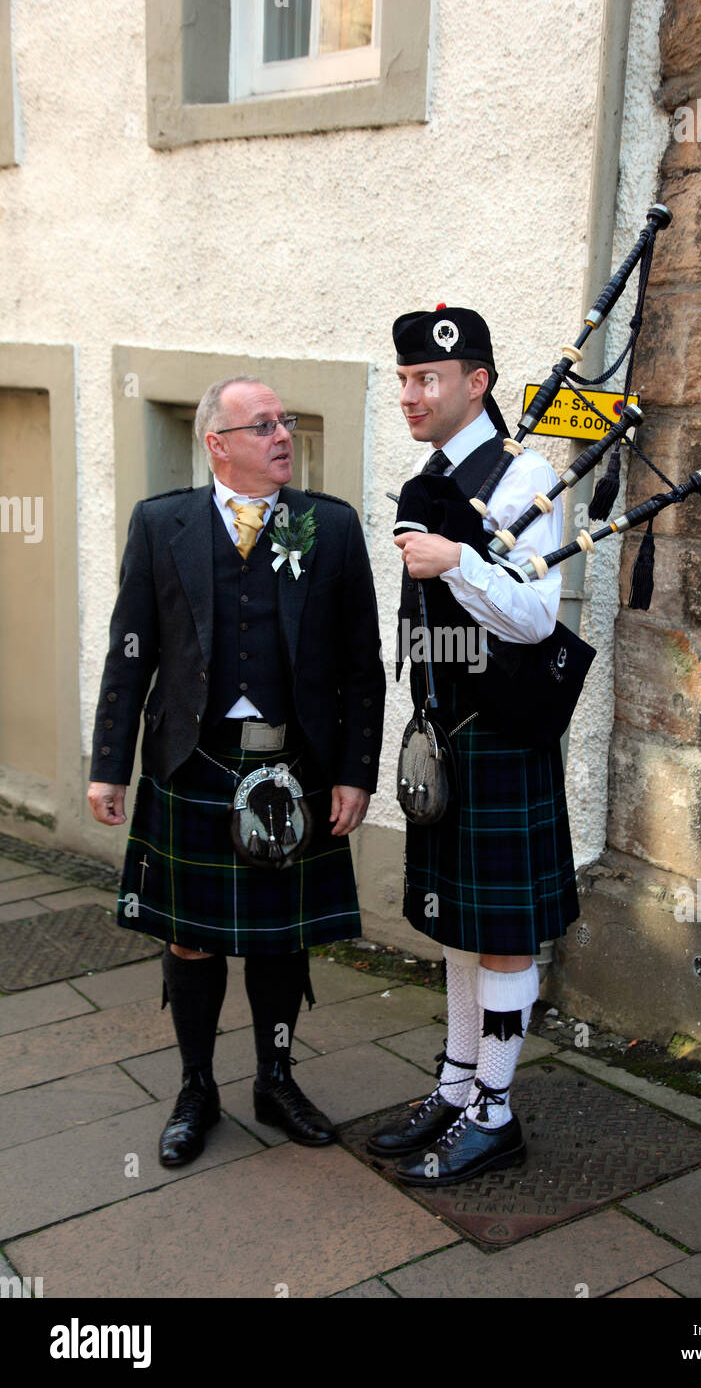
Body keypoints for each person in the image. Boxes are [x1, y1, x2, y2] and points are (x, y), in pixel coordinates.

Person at [87, 376, 385, 1167]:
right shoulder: (162, 525)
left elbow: (364, 665)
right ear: (217, 444)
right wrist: (108, 764)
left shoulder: (330, 527)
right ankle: (196, 1087)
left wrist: (357, 772)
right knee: (190, 938)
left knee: (282, 940)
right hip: (194, 766)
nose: (283, 435)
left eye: (286, 422)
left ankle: (276, 1079)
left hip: (295, 767)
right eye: (263, 426)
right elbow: (131, 653)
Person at [368, 307, 578, 1185]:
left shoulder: (528, 474)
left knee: (503, 933)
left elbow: (535, 617)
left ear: (477, 383)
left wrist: (456, 559)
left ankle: (496, 1111)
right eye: (407, 379)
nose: (412, 394)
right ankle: (458, 1086)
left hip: (503, 732)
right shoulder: (432, 474)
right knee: (459, 918)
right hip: (447, 732)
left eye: (430, 380)